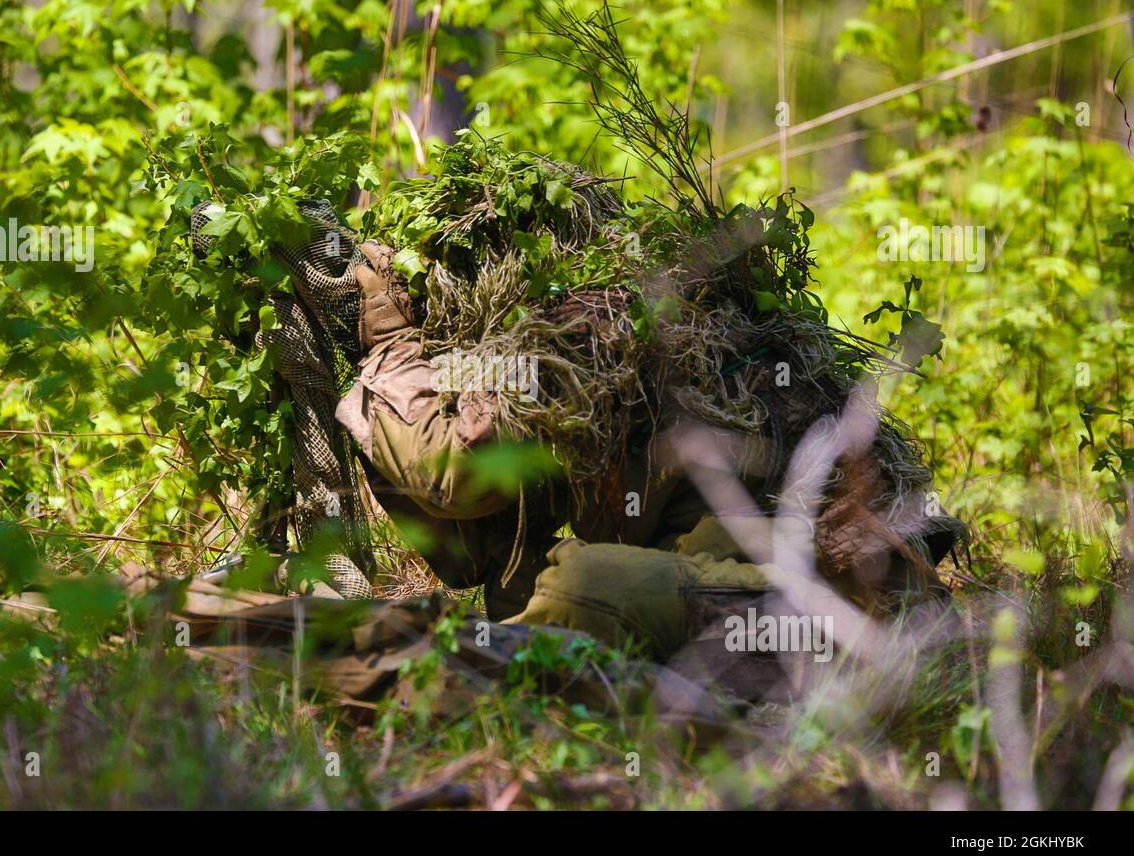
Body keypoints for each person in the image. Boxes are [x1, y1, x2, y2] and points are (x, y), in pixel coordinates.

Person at [332, 240, 962, 663]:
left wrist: (390, 342)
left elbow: (444, 471)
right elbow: (479, 532)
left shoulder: (586, 336)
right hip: (780, 592)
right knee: (544, 578)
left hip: (839, 609)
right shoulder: (671, 332)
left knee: (578, 587)